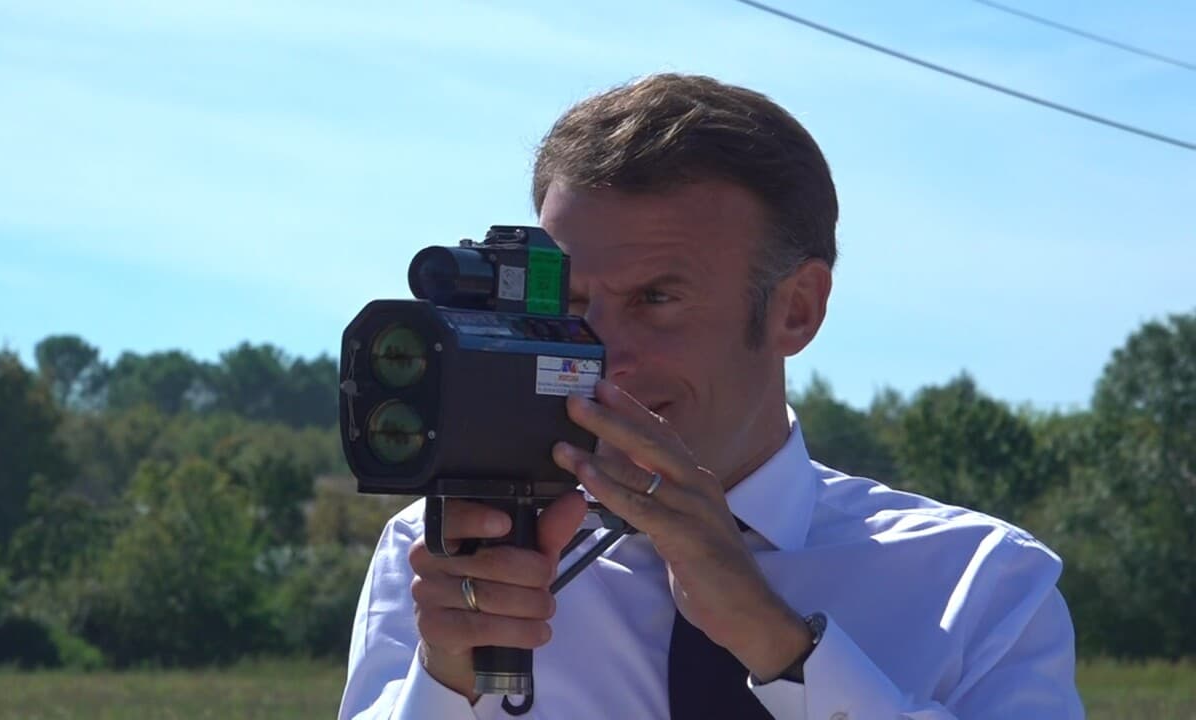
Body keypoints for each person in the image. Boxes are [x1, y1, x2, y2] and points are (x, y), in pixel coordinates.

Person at [338, 73, 1084, 719]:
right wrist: (445, 683)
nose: (602, 356)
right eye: (568, 304)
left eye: (657, 299)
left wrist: (777, 642)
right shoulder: (449, 552)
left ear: (797, 310)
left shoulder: (981, 582)